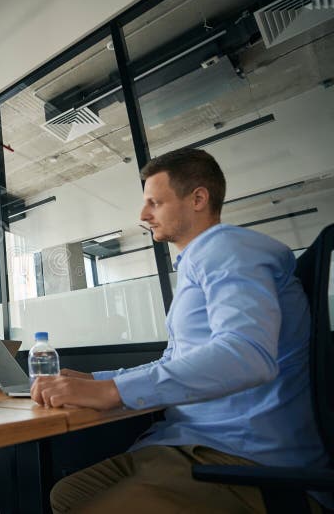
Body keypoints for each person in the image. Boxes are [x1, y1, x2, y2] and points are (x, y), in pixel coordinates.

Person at [33, 148, 329, 512]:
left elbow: (248, 355)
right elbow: (174, 360)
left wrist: (112, 391)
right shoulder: (197, 265)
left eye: (154, 203)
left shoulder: (226, 248)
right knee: (67, 494)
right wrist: (95, 379)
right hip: (186, 442)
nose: (143, 215)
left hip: (243, 457)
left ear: (198, 199)